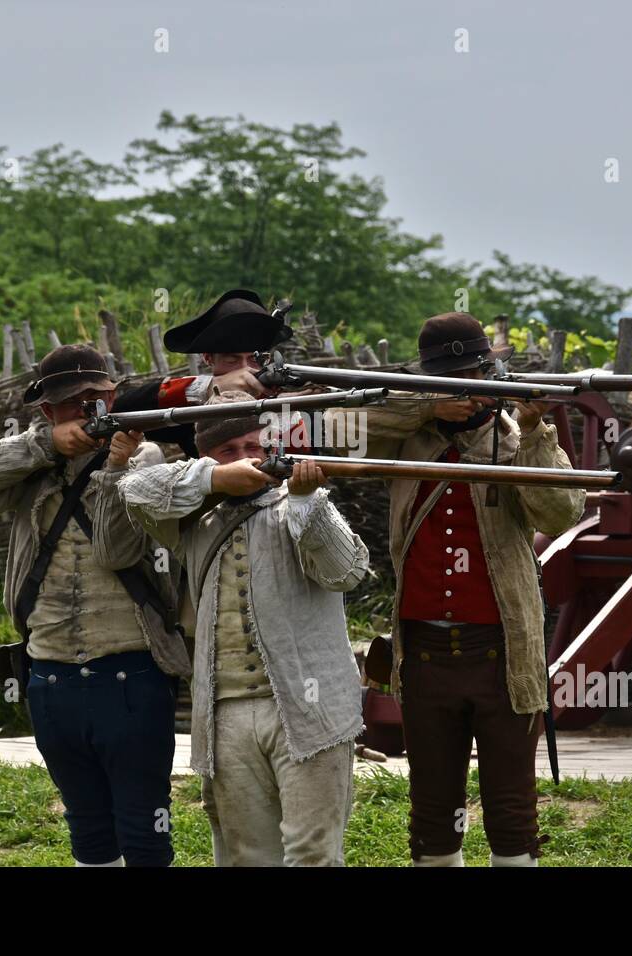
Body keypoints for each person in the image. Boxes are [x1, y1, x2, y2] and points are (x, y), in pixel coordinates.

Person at [323, 312, 585, 867]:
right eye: (447, 379)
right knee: (432, 809)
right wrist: (425, 406)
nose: (460, 390)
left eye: (468, 377)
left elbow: (561, 512)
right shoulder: (405, 432)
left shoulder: (513, 440)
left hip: (501, 653)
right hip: (423, 652)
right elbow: (334, 424)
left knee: (512, 809)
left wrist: (536, 428)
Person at [0, 343, 190, 867]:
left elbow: (117, 545)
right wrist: (46, 445)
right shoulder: (32, 462)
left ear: (112, 396)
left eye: (94, 399)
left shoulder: (146, 457)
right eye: (71, 404)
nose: (86, 411)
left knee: (144, 823)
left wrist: (115, 459)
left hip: (133, 668)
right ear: (48, 412)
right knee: (86, 825)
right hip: (50, 670)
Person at [118, 390, 369, 866]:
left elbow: (347, 573)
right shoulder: (193, 517)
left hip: (309, 707)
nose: (247, 459)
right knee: (245, 856)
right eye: (229, 451)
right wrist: (216, 479)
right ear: (207, 458)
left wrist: (305, 501)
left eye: (254, 447)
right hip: (225, 712)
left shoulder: (303, 503)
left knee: (312, 852)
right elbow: (134, 489)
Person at [114, 289, 292, 455]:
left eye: (255, 359)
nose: (245, 370)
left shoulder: (287, 402)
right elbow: (120, 411)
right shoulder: (192, 409)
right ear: (208, 358)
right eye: (232, 360)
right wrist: (210, 387)